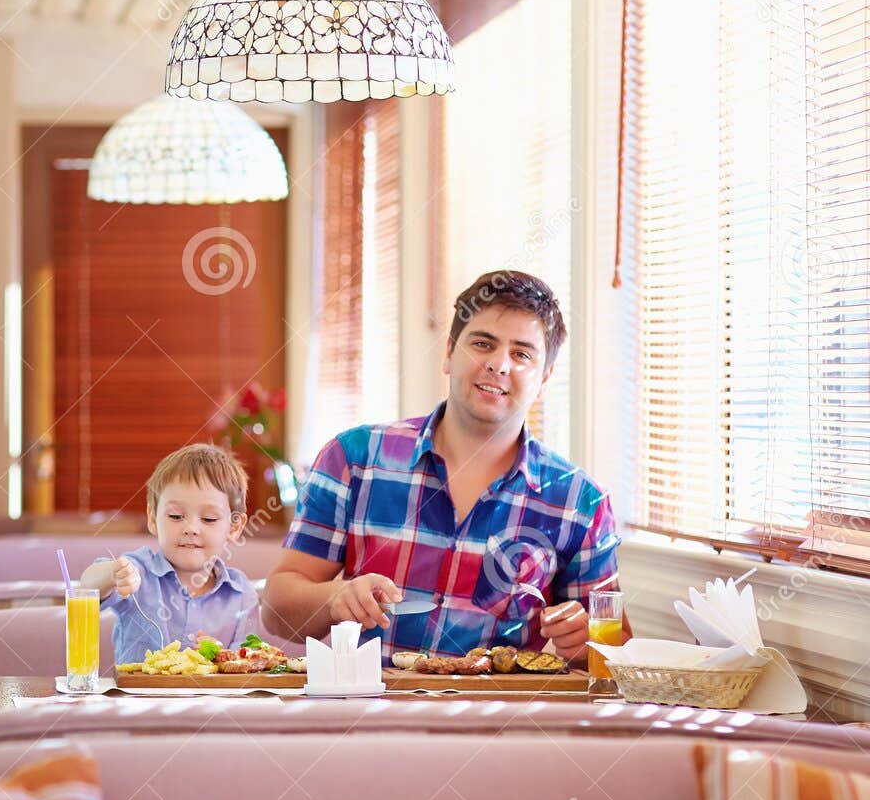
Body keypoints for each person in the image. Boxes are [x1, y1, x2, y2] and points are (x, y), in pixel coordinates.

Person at [263, 270, 622, 661]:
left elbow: (613, 648)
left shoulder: (580, 502)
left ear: (545, 375)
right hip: (369, 699)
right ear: (449, 353)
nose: (499, 364)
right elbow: (277, 612)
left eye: (522, 354)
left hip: (499, 703)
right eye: (482, 344)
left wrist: (587, 641)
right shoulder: (354, 458)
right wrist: (335, 599)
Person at [80, 443, 260, 664]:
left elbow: (247, 667)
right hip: (138, 688)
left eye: (209, 519)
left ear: (234, 527)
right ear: (153, 518)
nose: (191, 528)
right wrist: (112, 573)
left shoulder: (242, 594)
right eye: (175, 516)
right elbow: (88, 585)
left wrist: (220, 657)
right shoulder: (138, 572)